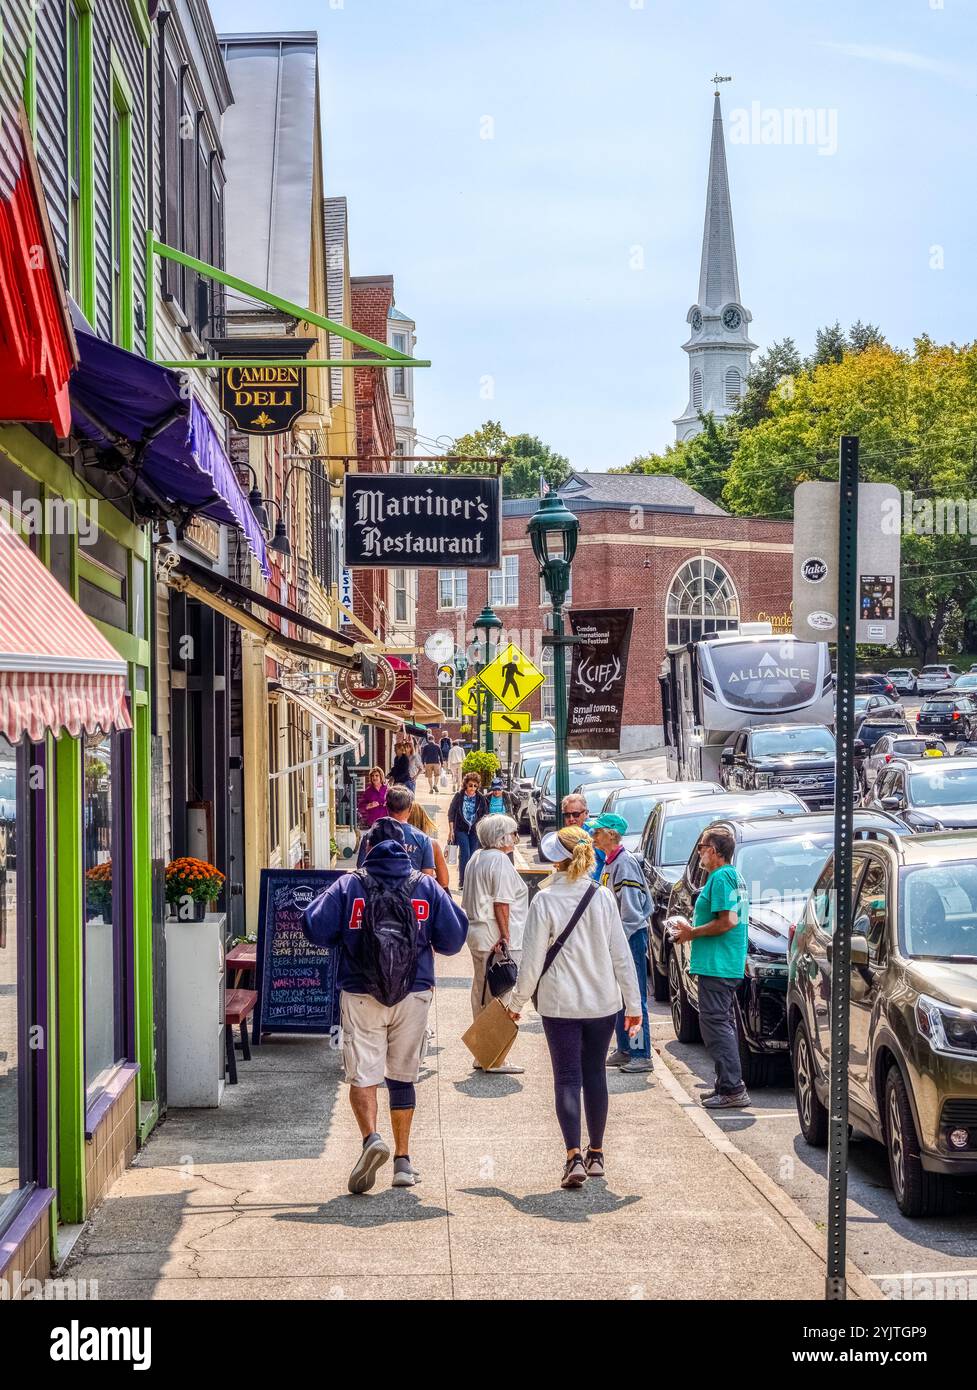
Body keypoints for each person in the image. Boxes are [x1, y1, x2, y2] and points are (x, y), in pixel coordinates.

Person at [304, 818, 468, 1192]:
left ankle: (370, 1139)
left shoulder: (350, 884)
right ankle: (403, 1162)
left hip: (361, 991)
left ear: (367, 848)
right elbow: (454, 938)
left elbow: (314, 926)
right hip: (414, 991)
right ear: (406, 849)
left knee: (363, 1074)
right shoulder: (423, 886)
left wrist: (348, 931)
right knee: (402, 1076)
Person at [508, 825, 641, 1189]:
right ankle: (597, 1153)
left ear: (557, 860)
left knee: (567, 1078)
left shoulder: (545, 900)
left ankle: (573, 1157)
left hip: (560, 1003)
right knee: (596, 1074)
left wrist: (517, 1002)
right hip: (602, 1002)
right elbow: (621, 955)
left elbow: (533, 962)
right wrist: (634, 1005)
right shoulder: (602, 897)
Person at [668, 826, 751, 1109]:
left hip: (719, 965)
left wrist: (692, 932)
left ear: (713, 851)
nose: (699, 852)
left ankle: (732, 1088)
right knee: (721, 1023)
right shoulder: (727, 877)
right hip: (721, 963)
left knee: (715, 1024)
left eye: (701, 847)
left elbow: (728, 921)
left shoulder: (723, 877)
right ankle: (726, 1084)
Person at [461, 814, 528, 1074]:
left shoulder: (477, 858)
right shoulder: (499, 860)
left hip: (477, 931)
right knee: (500, 995)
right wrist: (506, 936)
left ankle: (483, 1053)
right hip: (492, 933)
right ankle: (495, 1057)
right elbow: (502, 903)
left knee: (482, 993)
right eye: (512, 833)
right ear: (501, 836)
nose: (515, 838)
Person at [590, 812, 655, 1074]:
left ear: (611, 835)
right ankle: (626, 1047)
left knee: (634, 995)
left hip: (630, 938)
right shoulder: (611, 861)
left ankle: (641, 1052)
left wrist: (618, 942)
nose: (593, 836)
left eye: (597, 832)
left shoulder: (623, 863)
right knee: (619, 995)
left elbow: (631, 912)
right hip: (621, 938)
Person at [356, 787, 435, 876]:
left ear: (386, 807)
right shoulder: (423, 840)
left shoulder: (370, 835)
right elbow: (428, 876)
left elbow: (361, 869)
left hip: (375, 888)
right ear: (410, 808)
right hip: (411, 888)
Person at [447, 773, 488, 888]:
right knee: (465, 853)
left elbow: (485, 815)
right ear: (465, 785)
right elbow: (451, 813)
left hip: (474, 831)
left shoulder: (480, 798)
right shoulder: (459, 796)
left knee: (473, 856)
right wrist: (451, 831)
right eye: (470, 785)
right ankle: (462, 881)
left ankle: (470, 881)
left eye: (475, 786)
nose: (472, 788)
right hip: (461, 829)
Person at [408, 798, 450, 888]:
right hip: (420, 893)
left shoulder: (391, 839)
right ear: (424, 819)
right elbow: (444, 882)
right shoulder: (431, 843)